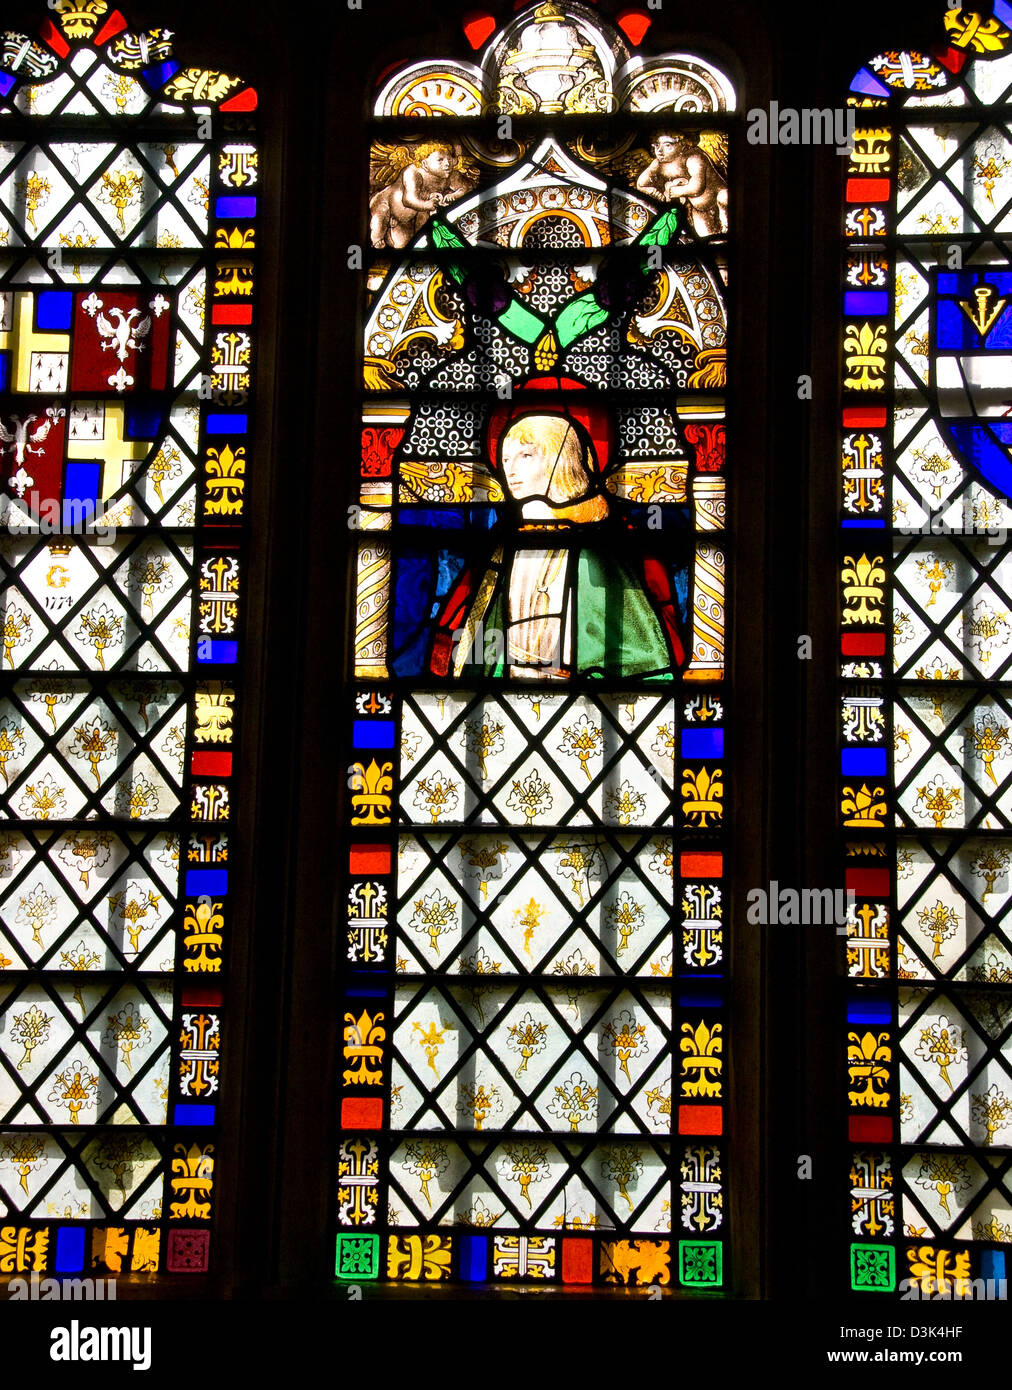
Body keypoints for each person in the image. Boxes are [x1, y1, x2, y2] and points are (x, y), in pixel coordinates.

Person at [429, 412, 684, 679]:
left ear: (558, 460)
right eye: (506, 459)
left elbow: (636, 654)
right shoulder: (503, 544)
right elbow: (481, 637)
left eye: (525, 456)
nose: (511, 469)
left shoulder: (597, 549)